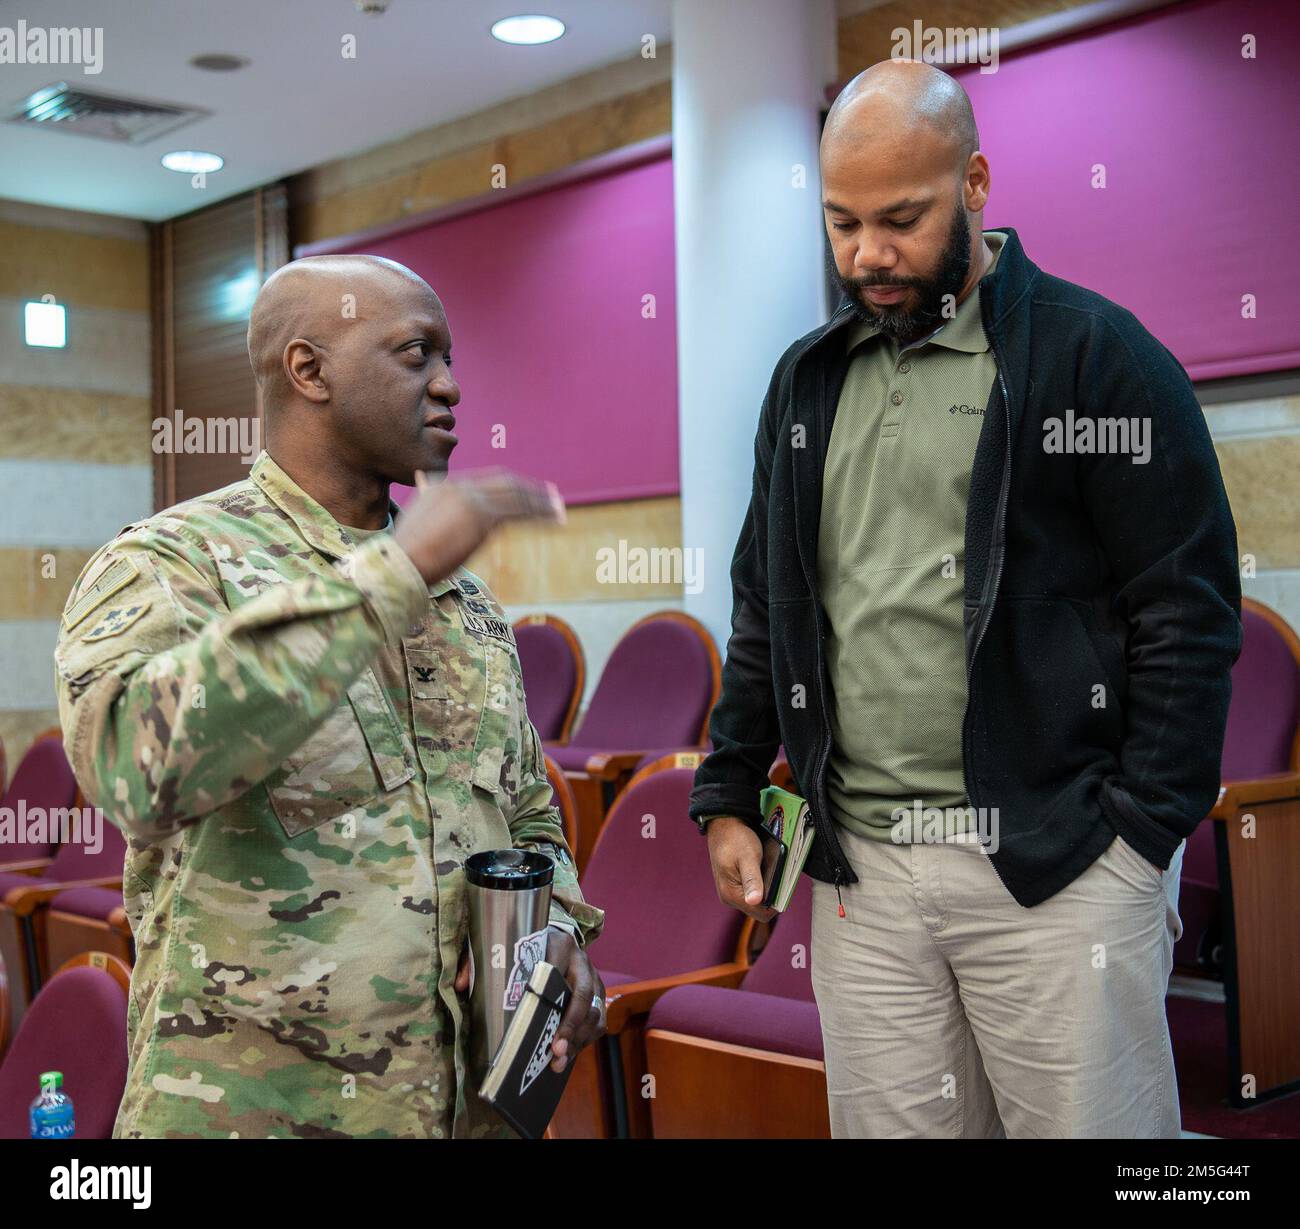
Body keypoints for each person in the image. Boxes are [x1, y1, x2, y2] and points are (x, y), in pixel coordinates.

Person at [689, 60, 1241, 1138]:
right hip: (863, 874)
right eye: (842, 223)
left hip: (1057, 861)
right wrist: (725, 786)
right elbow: (768, 603)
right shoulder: (807, 381)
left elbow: (1187, 609)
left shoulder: (1095, 356)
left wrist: (1136, 832)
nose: (867, 254)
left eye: (900, 218)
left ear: (976, 181)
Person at [54, 254, 604, 1138]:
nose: (452, 385)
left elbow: (527, 808)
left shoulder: (464, 603)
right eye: (416, 354)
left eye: (451, 356)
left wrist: (565, 927)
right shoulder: (169, 563)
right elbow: (130, 771)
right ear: (308, 370)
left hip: (460, 1113)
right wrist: (391, 576)